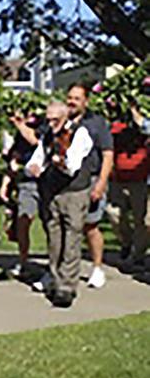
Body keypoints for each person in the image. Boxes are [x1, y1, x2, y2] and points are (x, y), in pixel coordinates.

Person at [26, 101, 94, 307]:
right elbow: (37, 156)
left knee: (72, 238)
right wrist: (35, 166)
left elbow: (72, 166)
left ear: (65, 117)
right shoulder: (48, 134)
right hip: (52, 191)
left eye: (55, 120)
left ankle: (67, 286)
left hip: (74, 192)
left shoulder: (80, 134)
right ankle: (56, 279)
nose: (51, 123)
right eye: (48, 119)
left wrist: (60, 162)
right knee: (54, 238)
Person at [67, 83, 113, 289]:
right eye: (70, 97)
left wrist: (101, 182)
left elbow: (107, 154)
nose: (72, 102)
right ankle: (64, 270)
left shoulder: (97, 123)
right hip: (67, 182)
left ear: (86, 101)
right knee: (66, 227)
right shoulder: (62, 121)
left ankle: (97, 268)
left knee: (90, 226)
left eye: (77, 98)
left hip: (92, 179)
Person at [2, 112, 50, 278]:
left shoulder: (45, 127)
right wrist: (6, 183)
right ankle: (23, 261)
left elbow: (35, 141)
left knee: (50, 223)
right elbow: (15, 157)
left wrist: (19, 124)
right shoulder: (20, 133)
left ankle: (55, 261)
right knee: (23, 220)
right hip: (26, 182)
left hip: (46, 183)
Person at [103, 103, 149, 272]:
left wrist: (138, 115)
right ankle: (127, 243)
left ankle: (138, 255)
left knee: (141, 220)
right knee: (114, 213)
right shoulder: (115, 128)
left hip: (140, 180)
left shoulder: (144, 128)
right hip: (117, 180)